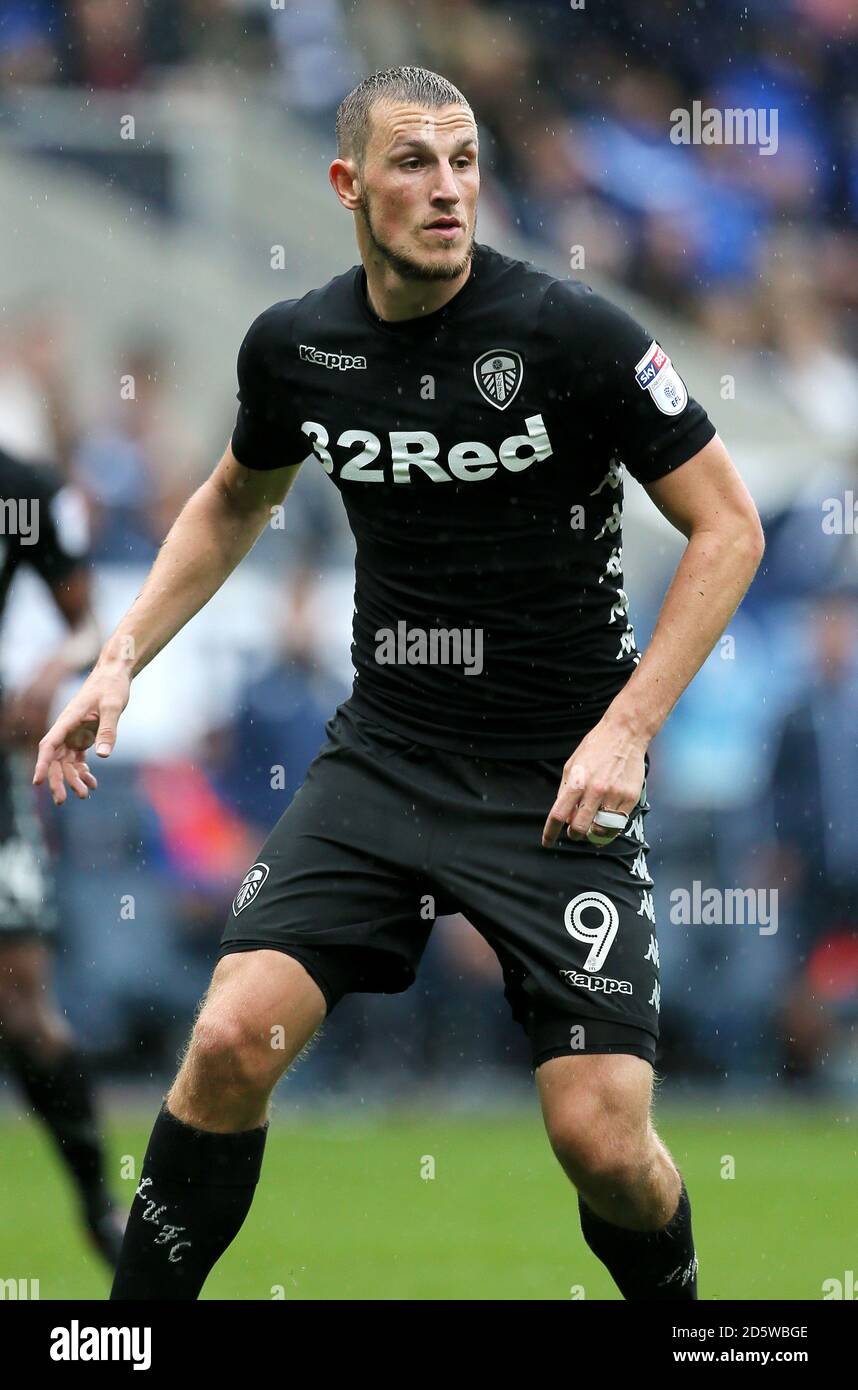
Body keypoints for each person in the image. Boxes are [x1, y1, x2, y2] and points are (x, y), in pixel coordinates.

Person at [34, 65, 764, 1301]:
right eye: (415, 162)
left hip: (558, 776)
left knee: (604, 1145)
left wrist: (628, 730)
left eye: (466, 160)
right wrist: (120, 657)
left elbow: (730, 527)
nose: (449, 189)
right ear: (347, 184)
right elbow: (231, 497)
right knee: (222, 1044)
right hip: (388, 757)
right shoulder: (299, 347)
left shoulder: (573, 334)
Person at [0, 443, 124, 1267]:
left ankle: (99, 1207)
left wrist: (58, 669)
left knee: (19, 1001)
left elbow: (89, 623)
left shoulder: (24, 488)